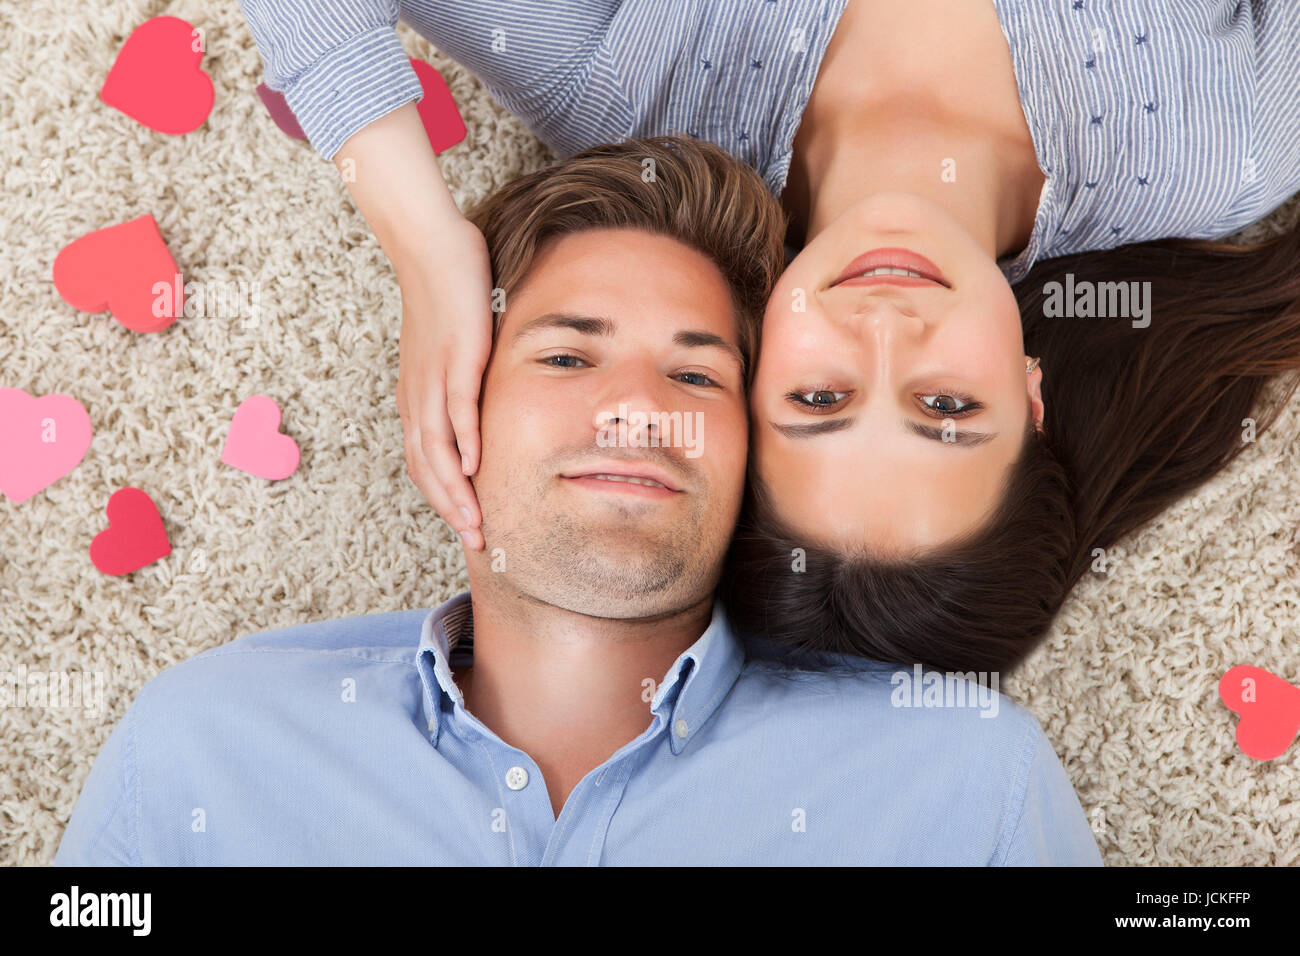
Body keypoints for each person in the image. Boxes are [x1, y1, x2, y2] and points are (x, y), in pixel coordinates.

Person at [54, 137, 1100, 865]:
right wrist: (425, 249)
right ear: (452, 396)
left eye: (698, 377)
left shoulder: (961, 784)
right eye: (564, 353)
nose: (636, 407)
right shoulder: (201, 746)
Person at [238, 0, 1300, 673]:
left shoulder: (634, 93)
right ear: (1029, 389)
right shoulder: (1225, 146)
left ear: (745, 380)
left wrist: (429, 250)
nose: (885, 332)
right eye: (944, 408)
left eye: (822, 399)